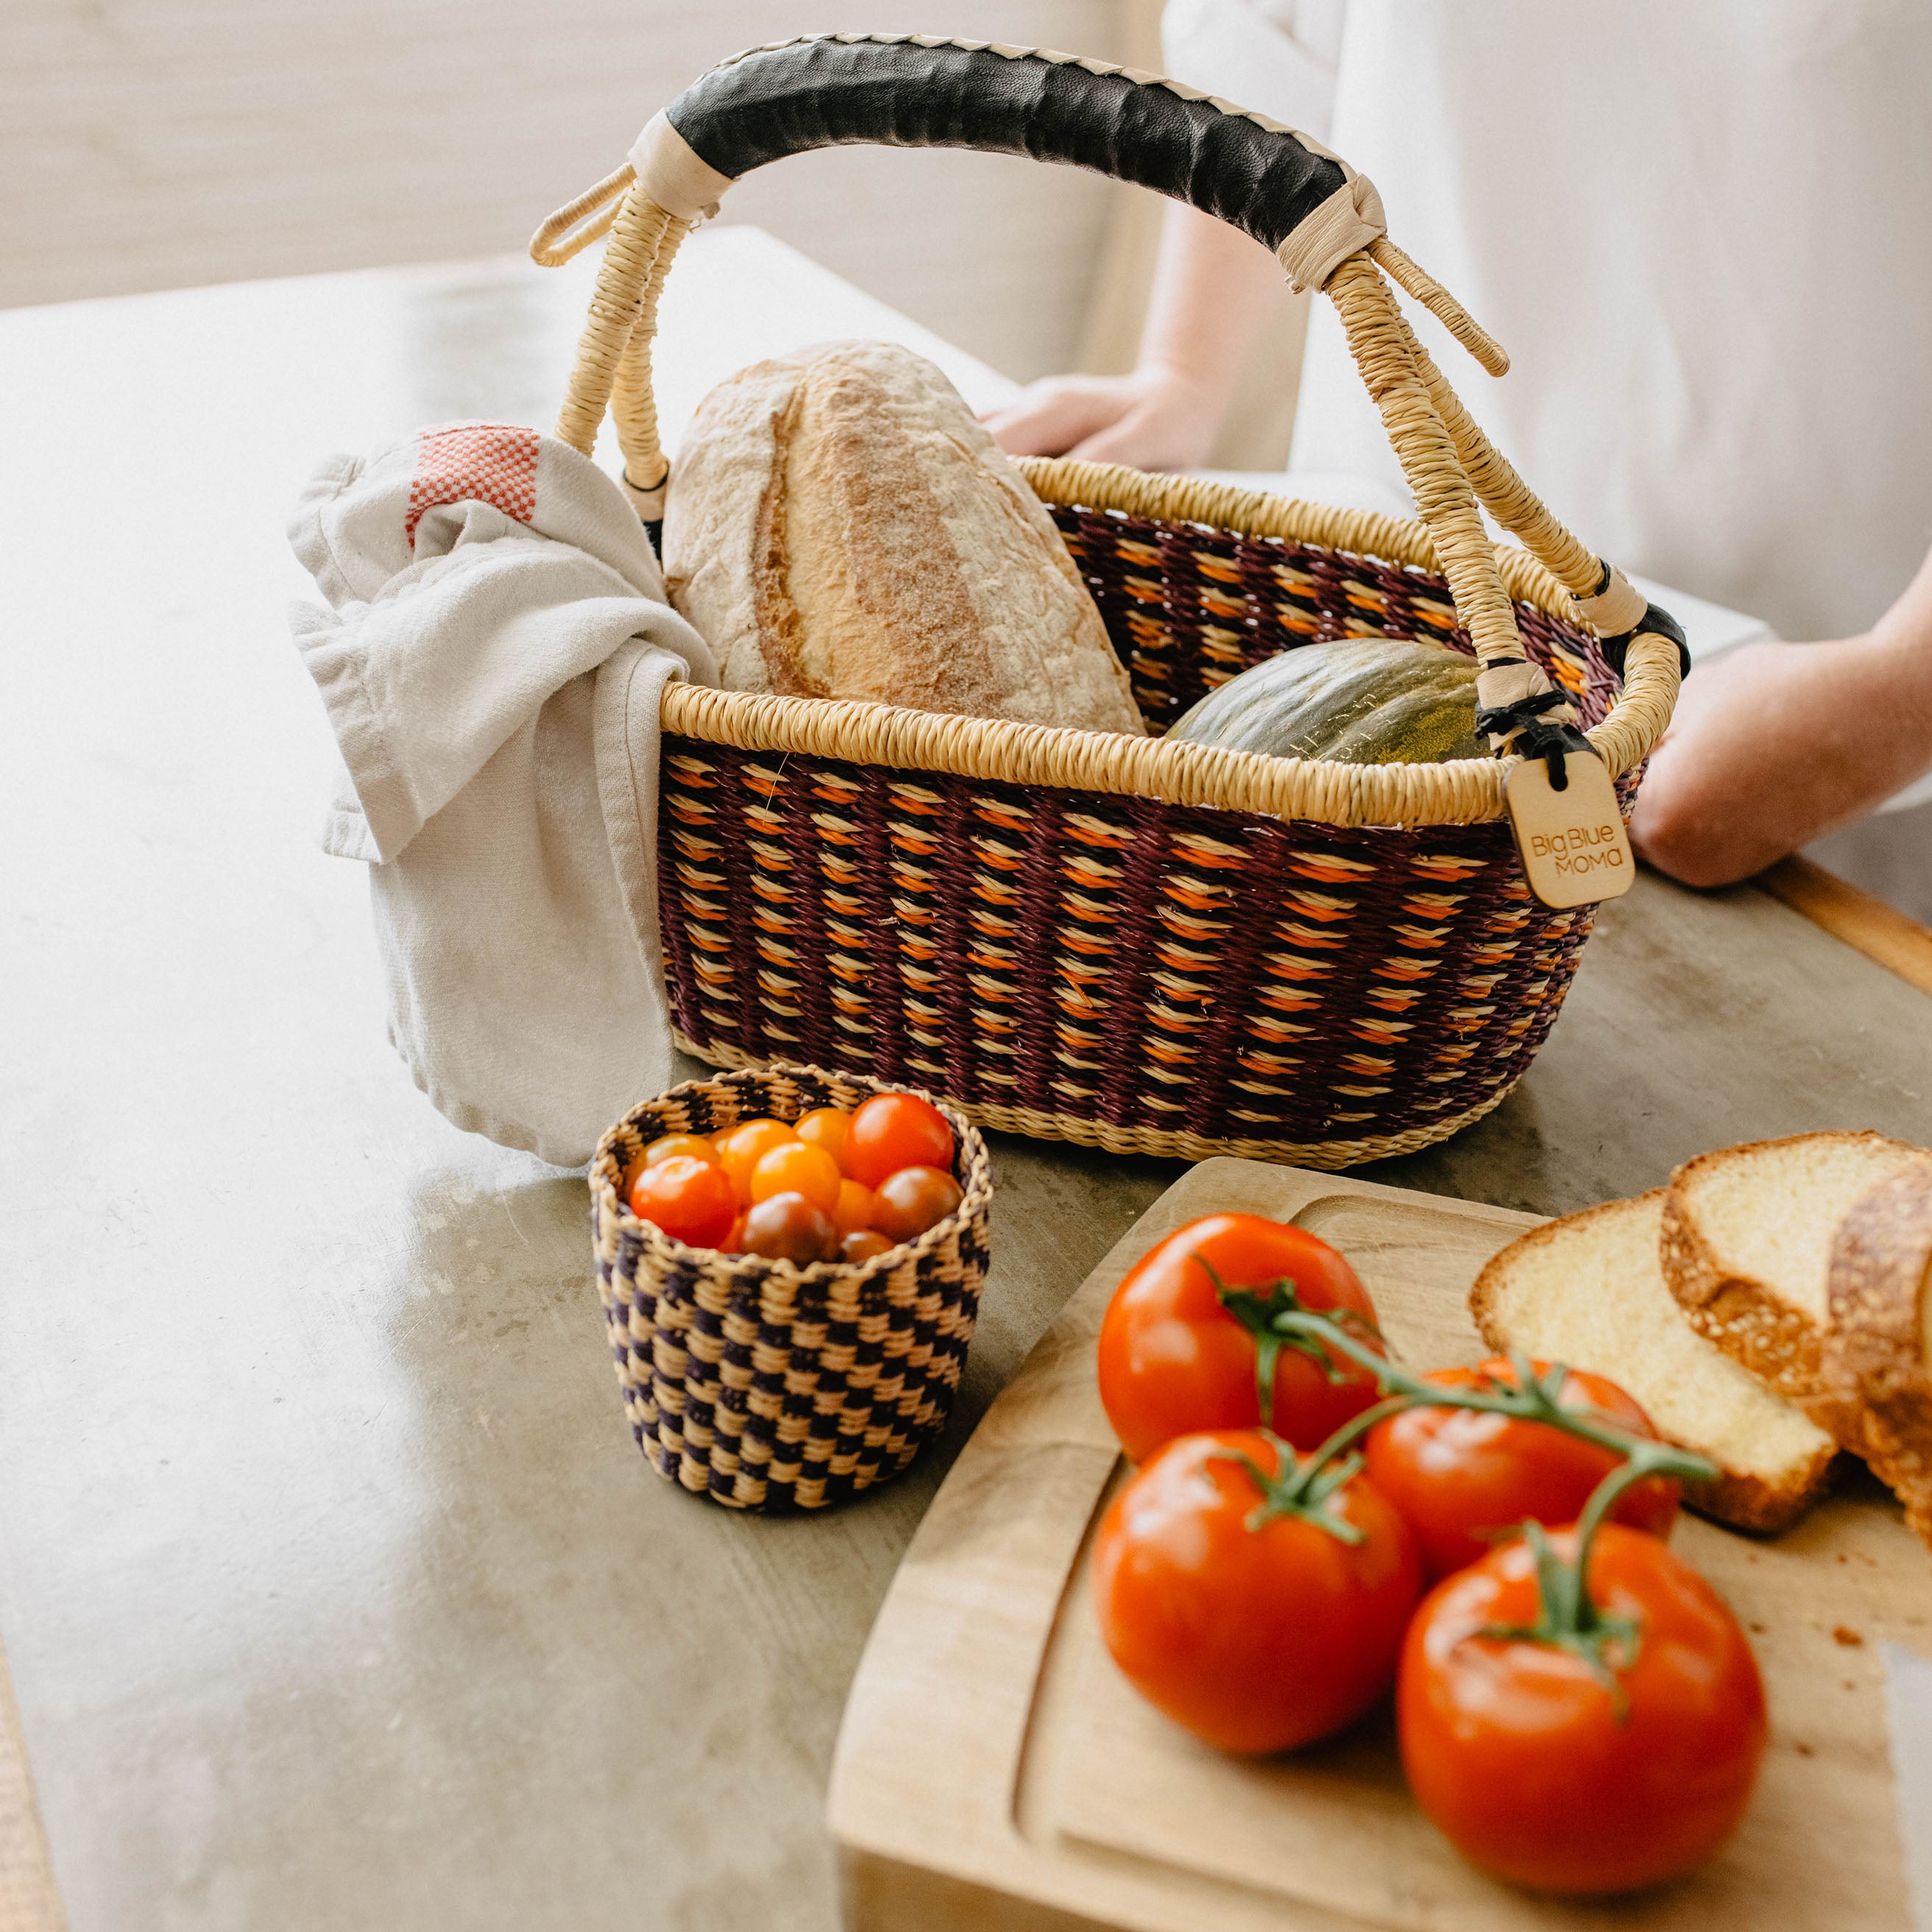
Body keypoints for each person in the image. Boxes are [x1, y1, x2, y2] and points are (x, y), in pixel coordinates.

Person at [986, 0, 1932, 892]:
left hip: (1810, 682)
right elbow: (1269, 43)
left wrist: (1895, 697)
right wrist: (1181, 378)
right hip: (1391, 589)